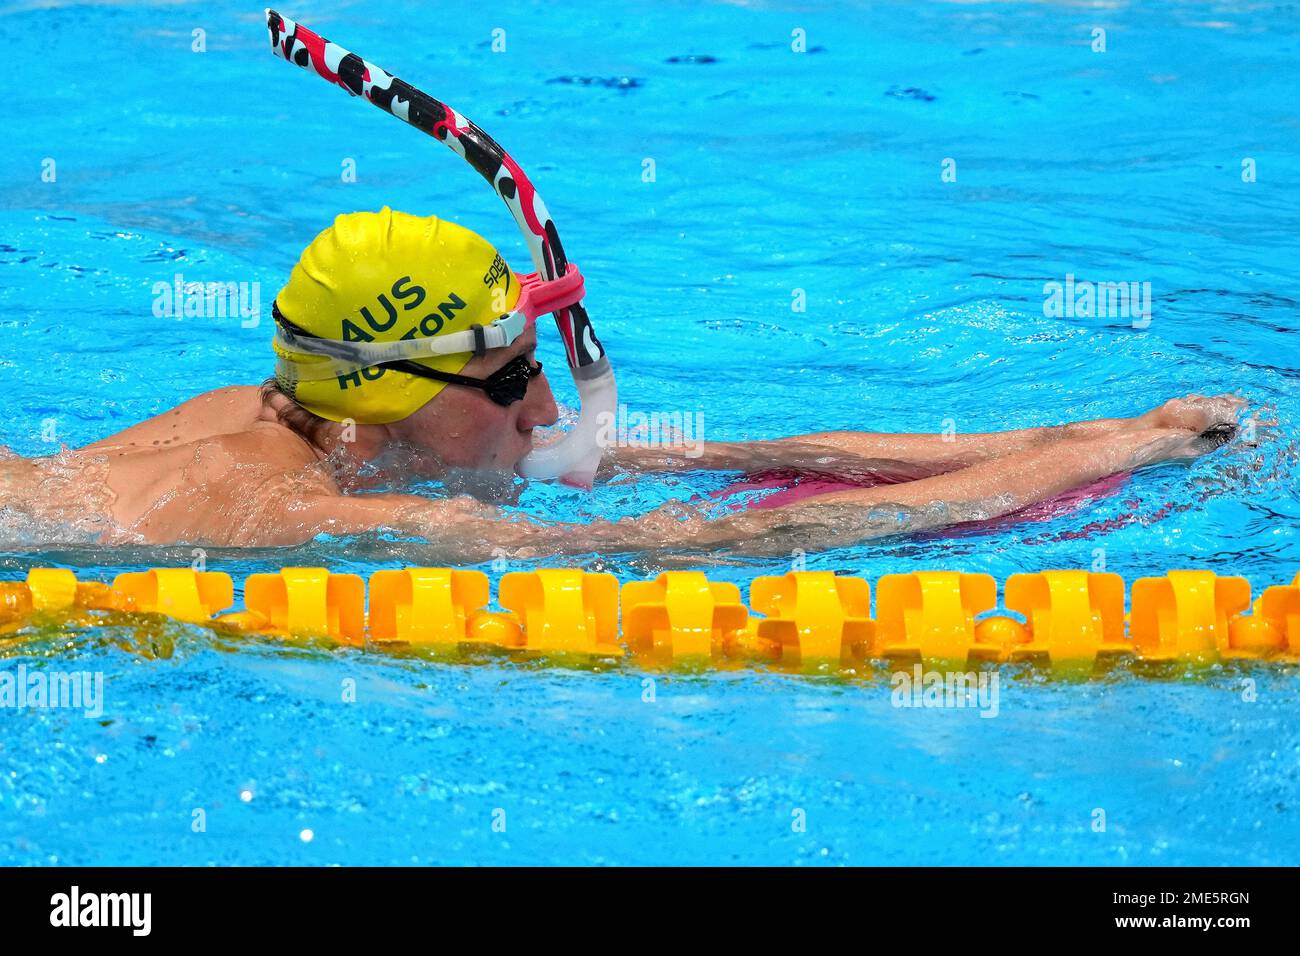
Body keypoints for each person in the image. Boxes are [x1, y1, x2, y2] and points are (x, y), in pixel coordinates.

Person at [0, 208, 1243, 555]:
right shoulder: (321, 513)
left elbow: (723, 460)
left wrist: (1106, 423)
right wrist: (1099, 469)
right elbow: (713, 540)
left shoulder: (317, 414)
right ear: (386, 394)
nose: (545, 411)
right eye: (511, 383)